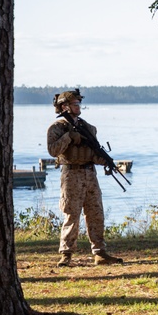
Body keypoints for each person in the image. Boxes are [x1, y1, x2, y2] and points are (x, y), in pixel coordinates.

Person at [46, 90, 123, 267]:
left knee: (96, 213)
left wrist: (104, 160)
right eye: (74, 104)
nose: (78, 106)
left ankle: (100, 252)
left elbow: (92, 153)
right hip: (71, 174)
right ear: (64, 106)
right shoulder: (57, 128)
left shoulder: (88, 128)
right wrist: (68, 137)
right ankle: (66, 254)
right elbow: (53, 151)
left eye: (78, 103)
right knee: (71, 214)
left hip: (90, 174)